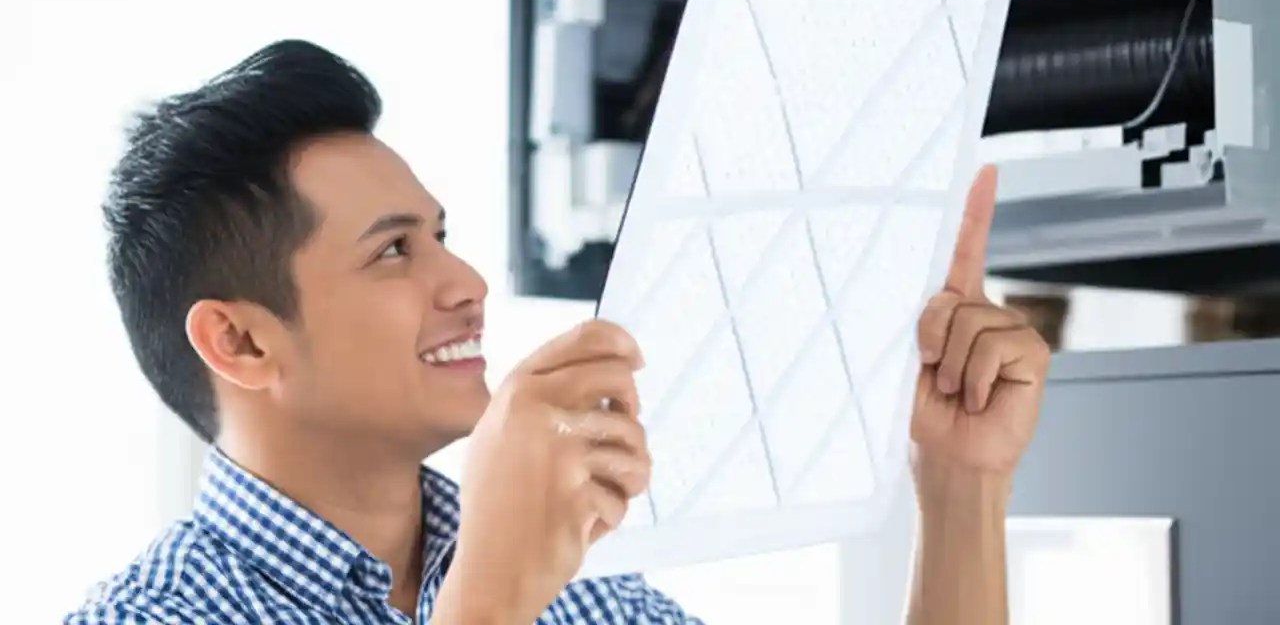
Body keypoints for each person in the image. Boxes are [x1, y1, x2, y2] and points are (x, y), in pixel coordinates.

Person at [65, 40, 1049, 625]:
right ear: (240, 343)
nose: (466, 283)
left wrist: (959, 486)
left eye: (441, 235)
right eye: (393, 251)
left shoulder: (587, 595)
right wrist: (492, 598)